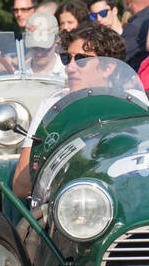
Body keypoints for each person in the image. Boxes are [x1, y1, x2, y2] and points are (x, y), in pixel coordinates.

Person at [12, 22, 132, 199]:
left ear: (109, 67)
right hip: (65, 204)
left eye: (82, 60)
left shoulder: (132, 102)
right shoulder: (52, 106)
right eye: (68, 59)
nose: (70, 67)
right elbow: (20, 185)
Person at [23, 10, 65, 77]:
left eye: (44, 48)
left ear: (57, 40)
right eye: (34, 47)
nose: (39, 53)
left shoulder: (68, 73)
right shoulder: (21, 74)